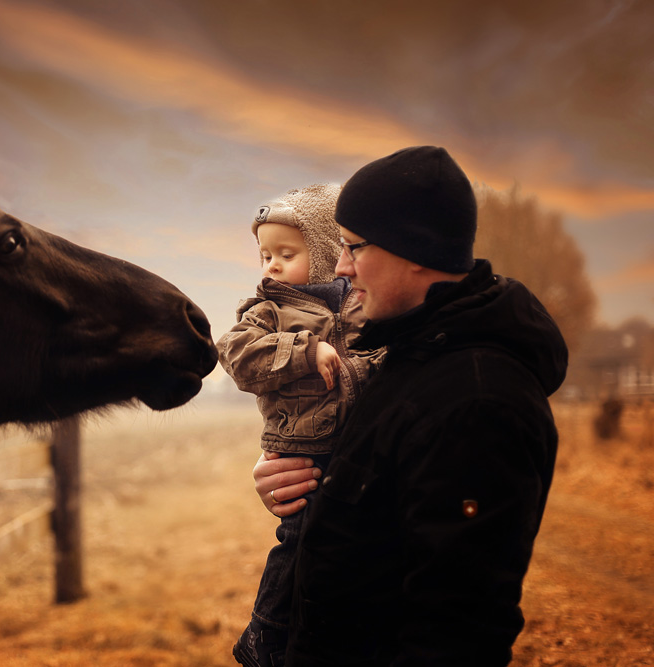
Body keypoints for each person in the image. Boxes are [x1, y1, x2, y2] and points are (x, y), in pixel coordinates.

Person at [254, 146, 568, 666]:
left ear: (414, 250)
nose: (340, 267)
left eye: (354, 247)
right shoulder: (409, 351)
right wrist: (288, 472)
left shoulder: (479, 402)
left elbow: (454, 636)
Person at [217, 184, 384, 667]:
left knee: (345, 548)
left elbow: (385, 358)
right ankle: (265, 633)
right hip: (300, 448)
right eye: (265, 254)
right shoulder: (267, 311)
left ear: (330, 251)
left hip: (357, 447)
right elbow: (236, 354)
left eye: (285, 254)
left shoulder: (364, 307)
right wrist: (303, 349)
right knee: (299, 540)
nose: (269, 265)